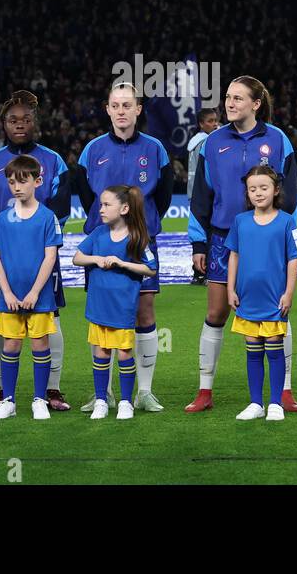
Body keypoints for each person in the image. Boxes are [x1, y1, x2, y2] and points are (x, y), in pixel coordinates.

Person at [186, 76, 297, 414]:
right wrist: (199, 243)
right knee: (216, 312)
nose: (230, 103)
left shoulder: (278, 139)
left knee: (278, 310)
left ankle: (284, 391)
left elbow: (290, 193)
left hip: (266, 240)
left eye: (238, 98)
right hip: (224, 240)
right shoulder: (212, 142)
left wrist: (272, 228)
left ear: (256, 104)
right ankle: (205, 390)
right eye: (227, 97)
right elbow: (201, 197)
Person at [72, 83, 173, 412]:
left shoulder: (156, 148)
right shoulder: (93, 149)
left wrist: (141, 226)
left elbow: (166, 194)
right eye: (115, 105)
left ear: (138, 109)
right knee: (101, 314)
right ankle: (105, 394)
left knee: (144, 312)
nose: (121, 111)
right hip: (102, 239)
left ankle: (144, 391)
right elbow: (87, 194)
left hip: (141, 239)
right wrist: (105, 224)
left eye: (127, 105)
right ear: (107, 109)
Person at [0, 90, 72, 412]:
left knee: (48, 317)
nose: (19, 124)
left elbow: (60, 208)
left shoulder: (53, 161)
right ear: (3, 124)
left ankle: (52, 390)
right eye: (12, 120)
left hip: (41, 255)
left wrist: (37, 241)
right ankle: (1, 389)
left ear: (35, 123)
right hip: (3, 256)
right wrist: (3, 246)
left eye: (26, 119)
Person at [0, 155, 65, 421]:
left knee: (41, 344)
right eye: (11, 182)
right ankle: (8, 400)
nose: (16, 187)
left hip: (38, 297)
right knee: (11, 345)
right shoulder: (2, 219)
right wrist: (6, 292)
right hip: (9, 298)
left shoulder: (47, 217)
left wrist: (34, 292)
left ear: (37, 181)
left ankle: (40, 399)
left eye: (23, 181)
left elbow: (50, 257)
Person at [224, 166, 297, 422]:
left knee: (274, 349)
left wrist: (289, 292)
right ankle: (255, 403)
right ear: (247, 193)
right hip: (248, 297)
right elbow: (234, 255)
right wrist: (230, 288)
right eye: (252, 189)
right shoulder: (240, 221)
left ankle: (275, 404)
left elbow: (294, 260)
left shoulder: (286, 221)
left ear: (276, 189)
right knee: (252, 350)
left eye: (264, 187)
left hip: (274, 299)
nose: (258, 193)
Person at [73, 185, 159, 420]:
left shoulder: (137, 237)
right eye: (101, 204)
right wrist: (97, 259)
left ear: (124, 208)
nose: (101, 209)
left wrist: (122, 263)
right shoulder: (98, 234)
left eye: (106, 205)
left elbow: (150, 269)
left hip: (122, 308)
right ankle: (101, 400)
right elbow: (77, 257)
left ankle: (125, 402)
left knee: (123, 353)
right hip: (98, 306)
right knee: (100, 353)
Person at [186, 108, 220, 285]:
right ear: (201, 124)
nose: (215, 124)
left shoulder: (194, 142)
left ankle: (199, 274)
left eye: (216, 120)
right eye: (210, 121)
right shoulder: (207, 142)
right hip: (204, 191)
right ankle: (204, 272)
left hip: (195, 190)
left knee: (204, 231)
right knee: (208, 231)